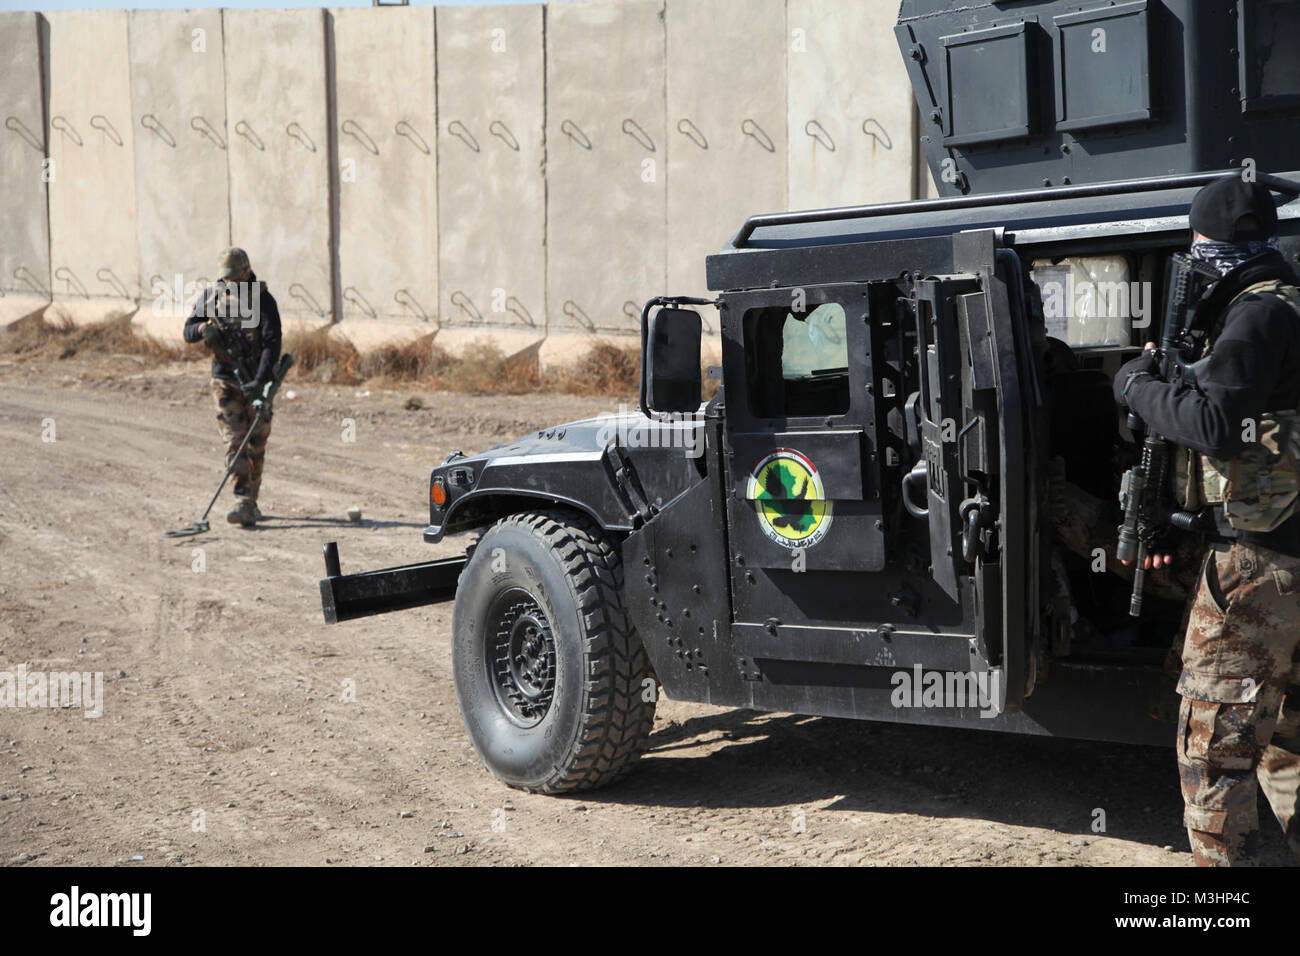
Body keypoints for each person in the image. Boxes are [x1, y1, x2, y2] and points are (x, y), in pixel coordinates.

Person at [1113, 176, 1300, 866]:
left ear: (1213, 245)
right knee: (1287, 745)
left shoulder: (1258, 313)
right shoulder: (1290, 302)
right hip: (1286, 557)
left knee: (1215, 754)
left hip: (1260, 566)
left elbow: (1221, 425)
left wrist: (1138, 385)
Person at [182, 248, 282, 528]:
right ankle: (242, 500)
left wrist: (260, 380)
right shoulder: (212, 296)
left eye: (234, 277)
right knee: (234, 440)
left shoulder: (262, 299)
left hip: (256, 381)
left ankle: (252, 500)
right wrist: (204, 330)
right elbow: (188, 330)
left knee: (257, 441)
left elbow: (273, 342)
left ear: (245, 271)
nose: (230, 283)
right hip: (225, 379)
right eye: (225, 278)